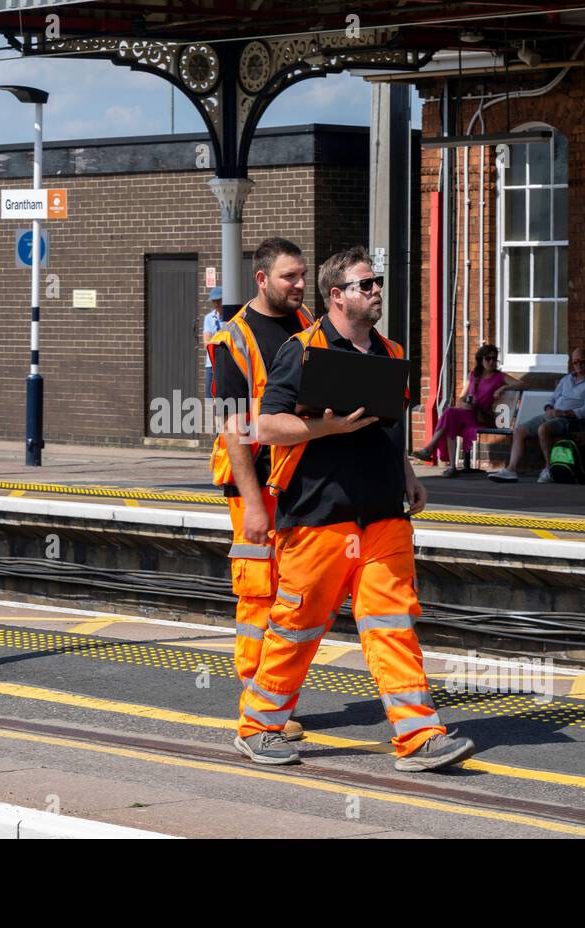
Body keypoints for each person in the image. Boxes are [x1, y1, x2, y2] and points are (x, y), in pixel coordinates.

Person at [234, 245, 476, 773]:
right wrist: (328, 428)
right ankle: (258, 728)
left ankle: (418, 738)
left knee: (393, 624)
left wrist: (409, 474)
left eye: (378, 283)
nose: (376, 292)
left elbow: (389, 427)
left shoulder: (389, 352)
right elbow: (266, 426)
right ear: (336, 295)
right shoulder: (303, 350)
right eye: (366, 284)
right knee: (297, 626)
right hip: (320, 515)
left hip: (384, 515)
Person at [207, 238, 314, 742]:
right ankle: (256, 702)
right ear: (262, 279)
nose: (299, 285)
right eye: (290, 277)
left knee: (292, 591)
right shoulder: (234, 339)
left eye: (302, 275)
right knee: (259, 591)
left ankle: (274, 700)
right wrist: (252, 503)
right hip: (252, 481)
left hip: (294, 477)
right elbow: (234, 426)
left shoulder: (304, 321)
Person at [488, 346, 585, 484]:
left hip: (570, 420)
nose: (578, 364)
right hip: (552, 415)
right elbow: (552, 398)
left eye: (582, 361)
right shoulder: (566, 379)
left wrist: (564, 412)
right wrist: (549, 408)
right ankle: (511, 470)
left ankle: (549, 469)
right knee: (519, 430)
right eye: (575, 362)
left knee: (543, 429)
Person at [416, 344, 525, 476]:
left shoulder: (499, 377)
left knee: (450, 414)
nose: (491, 361)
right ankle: (448, 465)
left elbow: (522, 384)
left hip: (481, 417)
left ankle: (433, 452)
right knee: (451, 417)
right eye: (488, 358)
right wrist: (465, 404)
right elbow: (461, 398)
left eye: (494, 358)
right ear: (481, 360)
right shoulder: (473, 375)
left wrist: (502, 388)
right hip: (467, 413)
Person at [201, 287, 223, 399]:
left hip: (226, 363)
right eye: (214, 301)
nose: (216, 304)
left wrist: (215, 341)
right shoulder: (209, 318)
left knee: (225, 395)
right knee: (209, 396)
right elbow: (206, 343)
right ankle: (209, 417)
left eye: (219, 300)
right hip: (211, 363)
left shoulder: (232, 317)